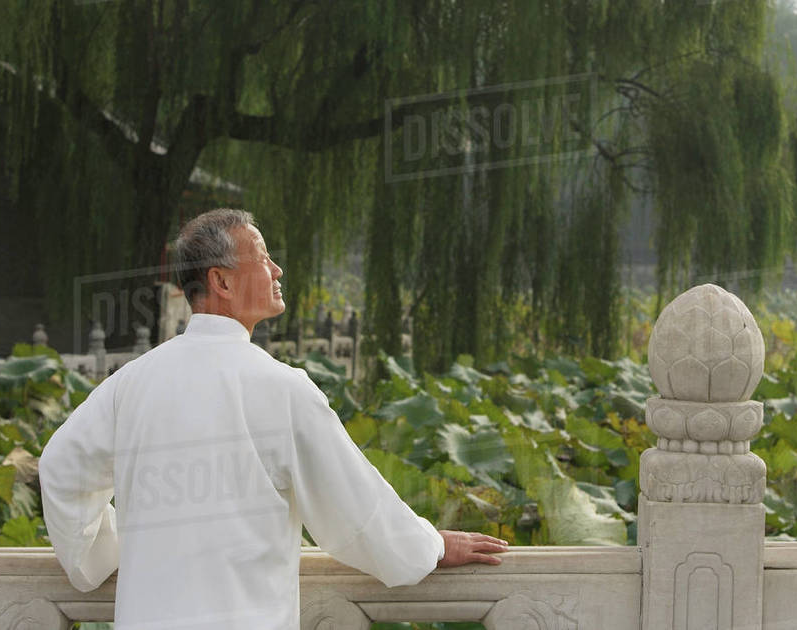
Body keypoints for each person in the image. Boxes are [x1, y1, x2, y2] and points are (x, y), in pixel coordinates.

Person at [39, 208, 507, 629]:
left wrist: (105, 554)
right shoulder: (282, 387)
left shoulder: (132, 381)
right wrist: (432, 546)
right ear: (221, 282)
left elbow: (60, 467)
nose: (277, 269)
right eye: (262, 257)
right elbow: (356, 511)